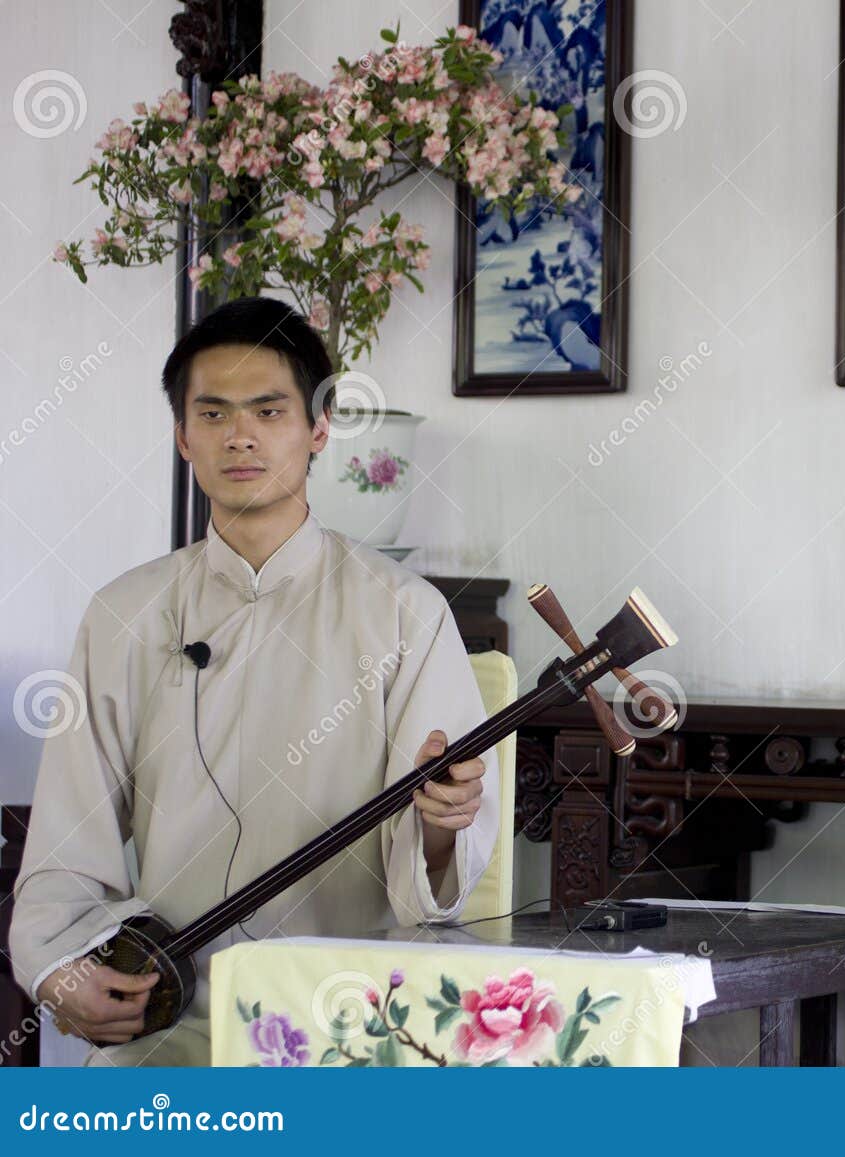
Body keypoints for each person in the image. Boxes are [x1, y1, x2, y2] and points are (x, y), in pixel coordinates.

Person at [8, 297, 498, 1066]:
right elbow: (66, 852)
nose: (240, 435)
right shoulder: (124, 614)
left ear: (319, 426)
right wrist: (56, 970)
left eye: (269, 410)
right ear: (182, 436)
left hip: (351, 1029)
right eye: (213, 413)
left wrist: (445, 818)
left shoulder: (404, 612)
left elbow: (435, 875)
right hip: (174, 1022)